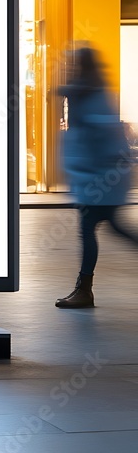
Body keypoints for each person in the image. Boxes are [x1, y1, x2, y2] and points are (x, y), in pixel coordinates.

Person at [56, 46, 138, 308]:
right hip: (95, 180)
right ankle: (84, 291)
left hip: (101, 181)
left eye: (73, 64)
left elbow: (103, 139)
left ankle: (84, 291)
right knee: (109, 227)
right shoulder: (88, 93)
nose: (70, 68)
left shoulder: (94, 96)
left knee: (90, 230)